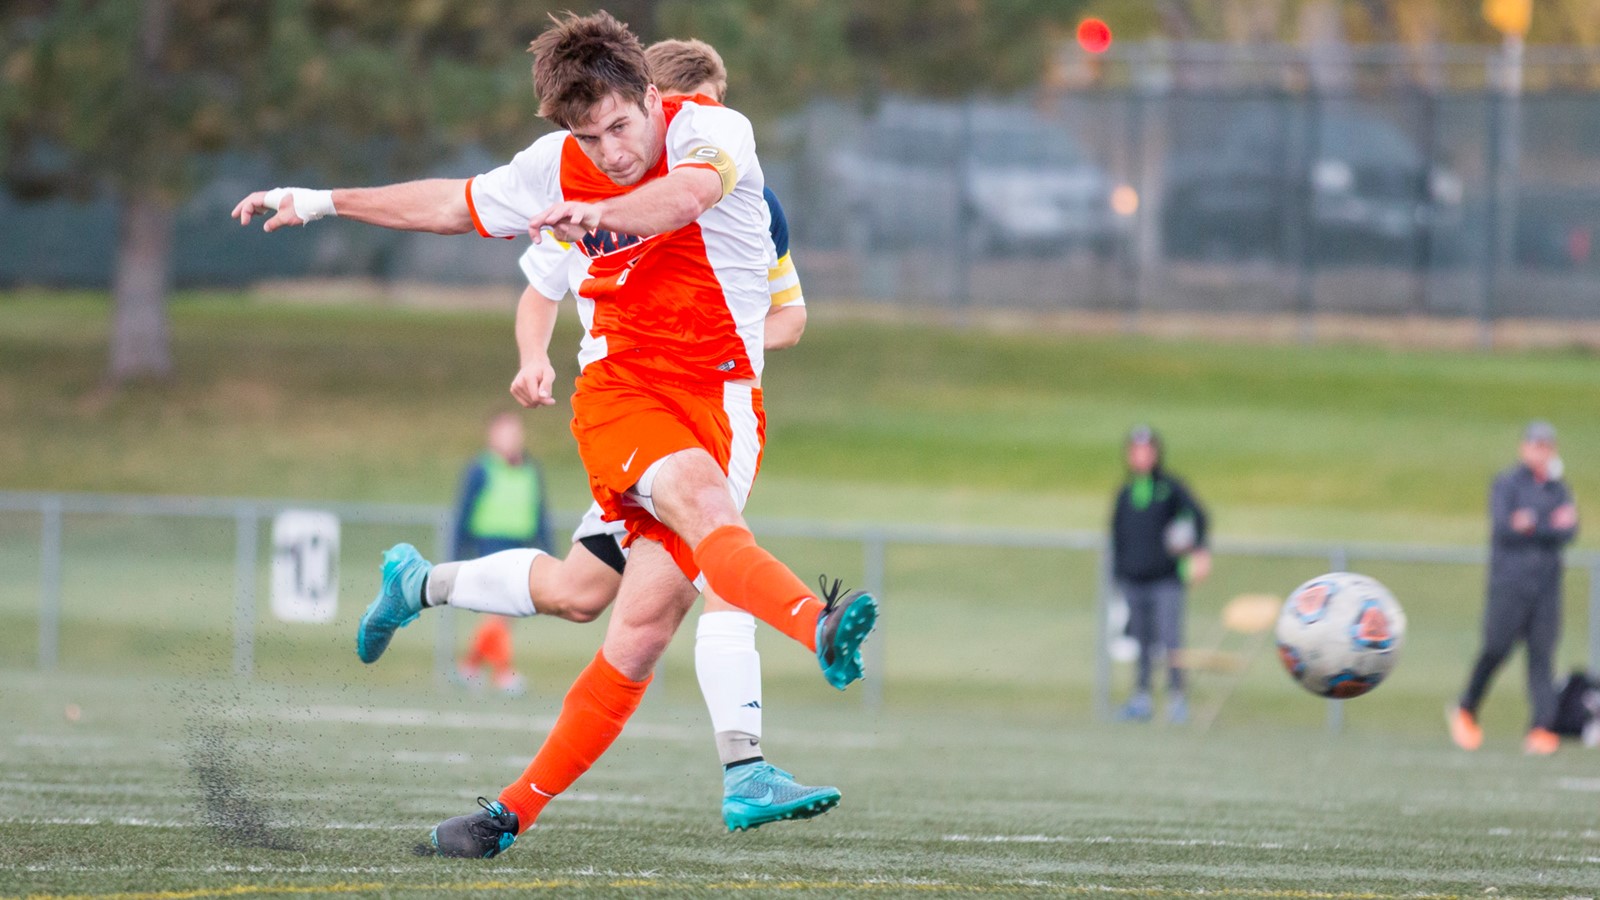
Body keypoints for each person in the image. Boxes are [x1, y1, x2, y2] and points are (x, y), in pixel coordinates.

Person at [231, 11, 878, 859]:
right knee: (705, 510)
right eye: (588, 136)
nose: (609, 151)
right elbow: (453, 205)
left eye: (620, 126)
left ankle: (504, 813)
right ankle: (811, 635)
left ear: (653, 97)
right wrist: (321, 201)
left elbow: (685, 199)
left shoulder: (714, 132)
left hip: (723, 405)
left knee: (626, 628)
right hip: (627, 393)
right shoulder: (554, 168)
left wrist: (604, 215)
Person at [363, 37, 831, 832]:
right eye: (696, 107)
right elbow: (535, 277)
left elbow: (788, 313)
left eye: (713, 110)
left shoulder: (743, 196)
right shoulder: (583, 181)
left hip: (702, 405)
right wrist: (531, 356)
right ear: (655, 103)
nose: (708, 125)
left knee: (580, 594)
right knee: (706, 566)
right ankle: (747, 761)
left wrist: (725, 332)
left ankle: (423, 585)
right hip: (639, 413)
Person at [1449, 421, 1580, 756]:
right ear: (1524, 447)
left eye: (1546, 446)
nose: (1541, 452)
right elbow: (1507, 527)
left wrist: (1534, 523)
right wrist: (1545, 524)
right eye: (1536, 445)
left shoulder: (1558, 489)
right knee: (1496, 648)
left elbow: (1568, 529)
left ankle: (1542, 727)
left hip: (1546, 587)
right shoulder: (1508, 483)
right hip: (1509, 584)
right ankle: (1466, 708)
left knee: (1542, 656)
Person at [1109, 425, 1211, 725]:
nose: (1142, 456)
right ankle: (1141, 698)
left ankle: (1177, 698)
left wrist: (1198, 551)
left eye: (1147, 450)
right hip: (1134, 579)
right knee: (1141, 641)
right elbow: (1118, 536)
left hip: (1166, 579)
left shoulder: (1170, 487)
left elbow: (1198, 516)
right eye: (1136, 451)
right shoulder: (1126, 492)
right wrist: (1118, 575)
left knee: (1170, 640)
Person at [451, 412, 552, 695]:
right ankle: (503, 672)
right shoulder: (481, 469)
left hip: (521, 546)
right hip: (490, 546)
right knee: (501, 611)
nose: (511, 439)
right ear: (492, 436)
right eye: (505, 433)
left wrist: (548, 549)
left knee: (505, 612)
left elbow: (539, 511)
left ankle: (470, 666)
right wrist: (457, 550)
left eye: (515, 433)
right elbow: (463, 510)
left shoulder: (530, 469)